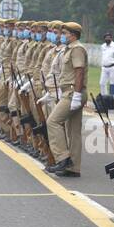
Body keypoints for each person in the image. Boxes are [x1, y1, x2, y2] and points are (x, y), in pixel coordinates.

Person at [46, 22, 89, 177]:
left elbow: (79, 72)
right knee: (73, 131)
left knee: (53, 121)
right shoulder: (69, 49)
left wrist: (77, 95)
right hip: (70, 91)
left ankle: (63, 158)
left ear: (73, 34)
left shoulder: (77, 49)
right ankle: (73, 168)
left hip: (72, 93)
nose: (62, 36)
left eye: (65, 33)